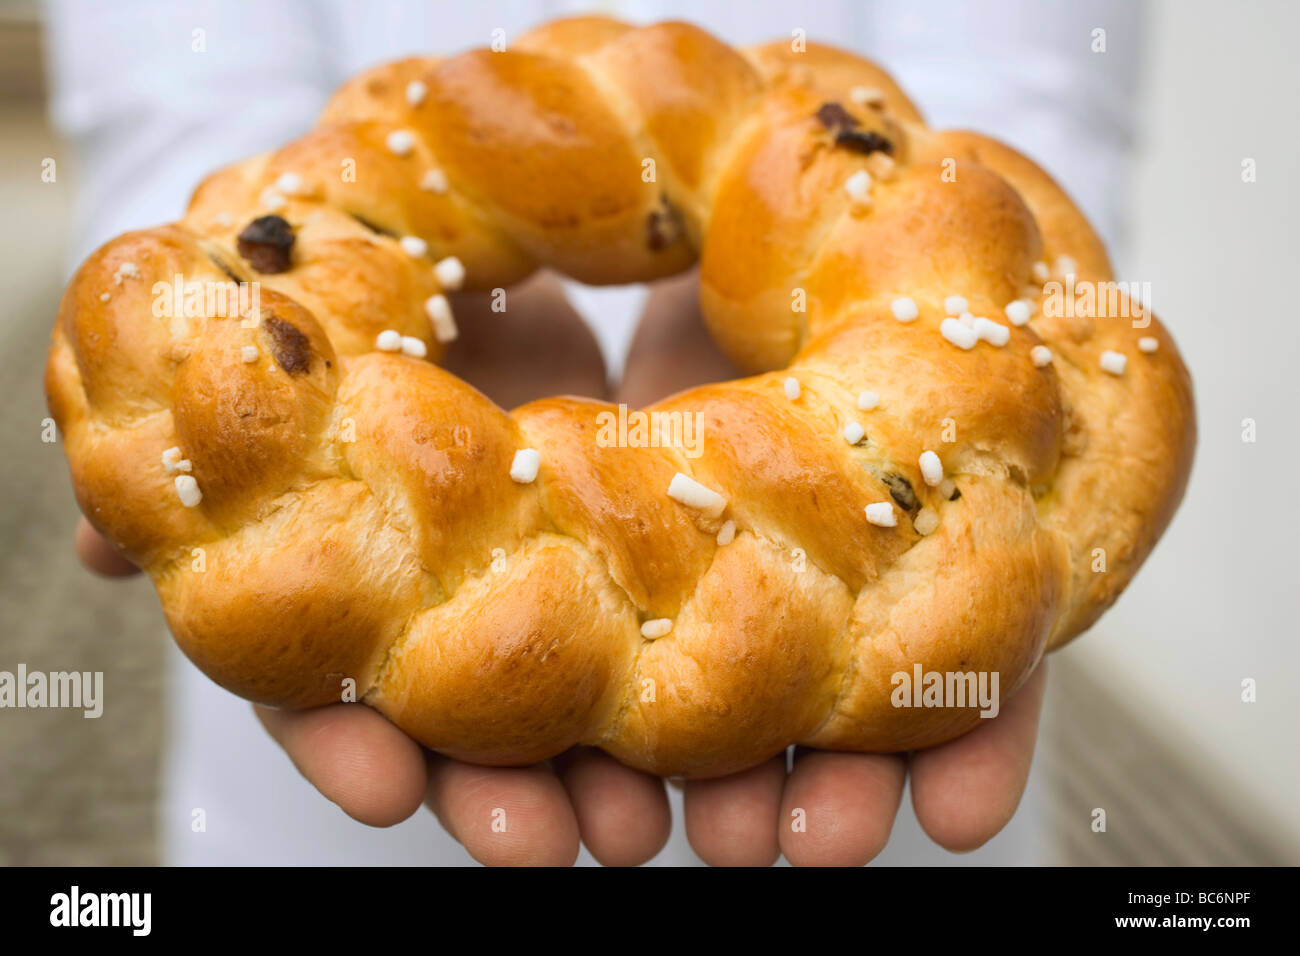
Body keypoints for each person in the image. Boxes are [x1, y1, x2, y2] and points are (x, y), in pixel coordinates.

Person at [49, 0, 1140, 865]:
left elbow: (1026, 98)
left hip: (913, 607)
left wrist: (977, 354)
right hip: (327, 727)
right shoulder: (258, 393)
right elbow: (183, 82)